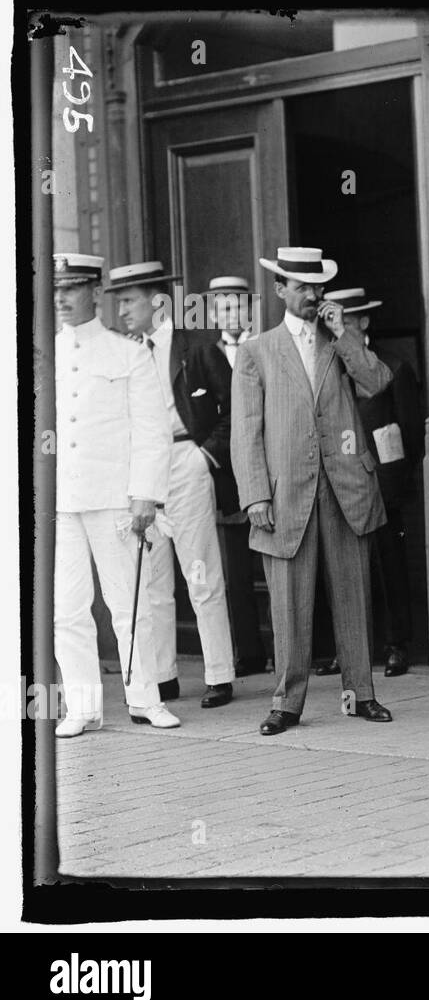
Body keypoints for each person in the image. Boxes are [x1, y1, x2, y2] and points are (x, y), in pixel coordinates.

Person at [231, 246, 394, 735]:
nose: (312, 295)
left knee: (352, 593)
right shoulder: (256, 350)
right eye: (301, 287)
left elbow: (377, 382)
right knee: (288, 599)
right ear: (280, 289)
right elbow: (246, 429)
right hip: (286, 491)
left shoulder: (338, 340)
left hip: (345, 485)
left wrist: (345, 334)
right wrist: (255, 494)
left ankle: (361, 693)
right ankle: (287, 702)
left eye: (316, 287)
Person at [52, 253, 179, 736]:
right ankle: (82, 706)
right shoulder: (45, 354)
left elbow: (152, 430)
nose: (62, 297)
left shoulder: (128, 353)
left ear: (95, 290)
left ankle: (146, 698)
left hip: (113, 499)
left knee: (129, 602)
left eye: (73, 288)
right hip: (60, 501)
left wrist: (145, 494)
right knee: (67, 607)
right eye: (57, 288)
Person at [109, 261, 239, 709]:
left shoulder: (196, 347)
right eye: (119, 302)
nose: (122, 310)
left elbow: (235, 407)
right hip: (145, 472)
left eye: (129, 300)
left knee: (200, 571)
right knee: (154, 578)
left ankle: (219, 674)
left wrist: (205, 457)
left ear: (156, 300)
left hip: (186, 460)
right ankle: (163, 676)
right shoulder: (125, 353)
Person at [321, 286, 424, 677]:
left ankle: (397, 645)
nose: (337, 329)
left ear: (363, 321)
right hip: (340, 481)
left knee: (388, 565)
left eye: (344, 320)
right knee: (341, 571)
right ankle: (347, 649)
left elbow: (409, 432)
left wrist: (394, 480)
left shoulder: (393, 365)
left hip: (381, 483)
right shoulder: (329, 367)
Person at [208, 275, 271, 678]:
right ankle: (247, 653)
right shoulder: (201, 357)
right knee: (235, 573)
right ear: (213, 314)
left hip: (266, 472)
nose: (232, 314)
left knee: (276, 563)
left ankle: (291, 654)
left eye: (238, 306)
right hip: (226, 480)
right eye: (224, 307)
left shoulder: (266, 349)